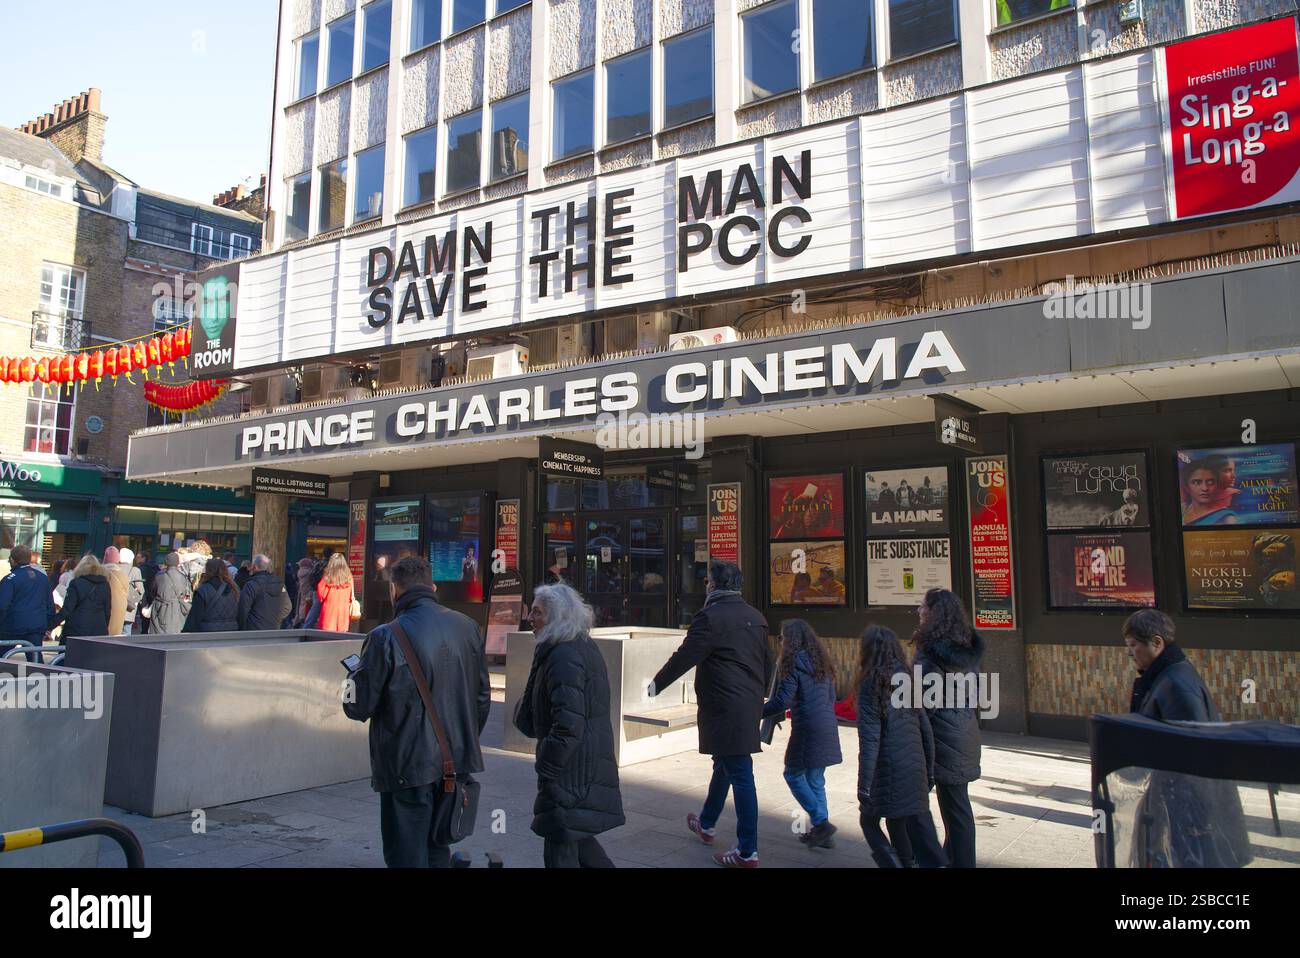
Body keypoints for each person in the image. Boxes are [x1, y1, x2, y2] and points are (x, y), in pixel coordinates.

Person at [343, 556, 491, 868]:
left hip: (405, 765)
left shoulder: (384, 636)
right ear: (433, 587)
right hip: (454, 761)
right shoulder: (467, 627)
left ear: (394, 590)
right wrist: (462, 741)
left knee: (406, 853)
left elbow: (357, 706)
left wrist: (352, 677)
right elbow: (482, 698)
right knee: (439, 846)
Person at [650, 559, 770, 868]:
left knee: (740, 771)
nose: (705, 586)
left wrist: (655, 685)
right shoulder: (755, 617)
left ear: (714, 585)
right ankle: (706, 823)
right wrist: (760, 697)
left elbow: (684, 657)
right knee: (726, 764)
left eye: (707, 582)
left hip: (724, 706)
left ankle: (747, 851)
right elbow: (768, 662)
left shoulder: (710, 617)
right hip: (746, 704)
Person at [1123, 609, 1252, 867]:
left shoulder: (1176, 685)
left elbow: (1191, 752)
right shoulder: (1167, 676)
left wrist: (1190, 817)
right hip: (1177, 801)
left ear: (1157, 643)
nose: (1129, 652)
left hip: (1187, 809)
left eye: (1133, 645)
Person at [514, 583, 624, 868]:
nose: (530, 618)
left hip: (571, 772)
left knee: (561, 842)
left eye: (537, 613)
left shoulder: (565, 655)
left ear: (556, 616)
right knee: (577, 839)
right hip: (580, 767)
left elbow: (568, 724)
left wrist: (547, 764)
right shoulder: (569, 647)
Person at [855, 625, 947, 868]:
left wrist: (864, 785)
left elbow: (870, 740)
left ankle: (895, 864)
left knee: (869, 821)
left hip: (889, 768)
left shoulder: (869, 684)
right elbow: (925, 727)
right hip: (914, 765)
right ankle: (907, 862)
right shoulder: (906, 677)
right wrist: (928, 770)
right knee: (898, 820)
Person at [913, 588, 984, 868]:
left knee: (952, 811)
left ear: (934, 613)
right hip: (964, 733)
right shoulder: (968, 648)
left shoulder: (930, 653)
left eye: (922, 606)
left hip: (940, 738)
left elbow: (920, 702)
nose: (919, 611)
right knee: (956, 808)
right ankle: (951, 858)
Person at [762, 619, 843, 849]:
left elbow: (782, 700)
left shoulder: (794, 662)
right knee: (816, 780)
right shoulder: (822, 663)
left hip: (807, 728)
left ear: (792, 640)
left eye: (782, 636)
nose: (781, 641)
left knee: (793, 775)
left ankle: (821, 823)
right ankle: (824, 835)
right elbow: (830, 697)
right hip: (827, 725)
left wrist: (756, 712)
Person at [0, 545, 54, 656]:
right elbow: (49, 605)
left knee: (2, 655)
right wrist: (48, 625)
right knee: (35, 660)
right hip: (36, 625)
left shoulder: (11, 579)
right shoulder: (42, 578)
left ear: (12, 560)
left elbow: (2, 605)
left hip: (12, 624)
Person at [52, 554, 113, 639]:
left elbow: (67, 609)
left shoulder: (76, 583)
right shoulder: (105, 585)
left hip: (77, 629)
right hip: (98, 630)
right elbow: (107, 611)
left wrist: (51, 624)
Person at [183, 558, 241, 633]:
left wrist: (186, 632)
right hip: (231, 632)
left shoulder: (203, 590)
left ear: (208, 571)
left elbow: (194, 617)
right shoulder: (235, 588)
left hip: (208, 633)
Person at [237, 554, 293, 631]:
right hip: (273, 629)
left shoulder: (251, 584)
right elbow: (287, 607)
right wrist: (274, 618)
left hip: (253, 630)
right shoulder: (280, 584)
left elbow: (243, 609)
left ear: (255, 567)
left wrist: (243, 628)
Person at [1180, 457, 1238, 525]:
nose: (1205, 488)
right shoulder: (1183, 509)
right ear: (1187, 487)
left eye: (1210, 482)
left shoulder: (1226, 518)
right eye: (1197, 482)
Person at [149, 553, 193, 634]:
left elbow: (152, 592)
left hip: (160, 609)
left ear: (166, 562)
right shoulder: (183, 577)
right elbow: (187, 593)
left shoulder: (159, 576)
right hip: (177, 609)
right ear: (178, 562)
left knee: (158, 634)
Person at [316, 553, 355, 632]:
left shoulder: (327, 577)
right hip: (343, 613)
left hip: (329, 612)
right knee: (341, 637)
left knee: (327, 639)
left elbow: (321, 596)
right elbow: (351, 596)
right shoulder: (349, 577)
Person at [102, 546, 129, 637]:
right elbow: (126, 593)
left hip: (101, 609)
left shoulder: (100, 573)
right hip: (118, 609)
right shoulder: (123, 575)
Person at [117, 548, 144, 634]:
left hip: (114, 607)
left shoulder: (113, 569)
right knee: (126, 634)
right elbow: (140, 591)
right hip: (128, 609)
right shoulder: (135, 570)